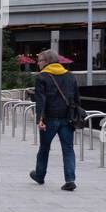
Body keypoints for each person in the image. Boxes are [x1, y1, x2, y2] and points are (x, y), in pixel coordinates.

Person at [29, 48, 80, 192]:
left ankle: (40, 175)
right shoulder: (69, 76)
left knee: (44, 148)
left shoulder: (42, 77)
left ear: (46, 62)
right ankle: (70, 179)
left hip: (49, 119)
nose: (38, 63)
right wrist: (75, 116)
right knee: (68, 149)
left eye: (39, 61)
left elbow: (41, 101)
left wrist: (40, 119)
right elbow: (76, 99)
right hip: (67, 119)